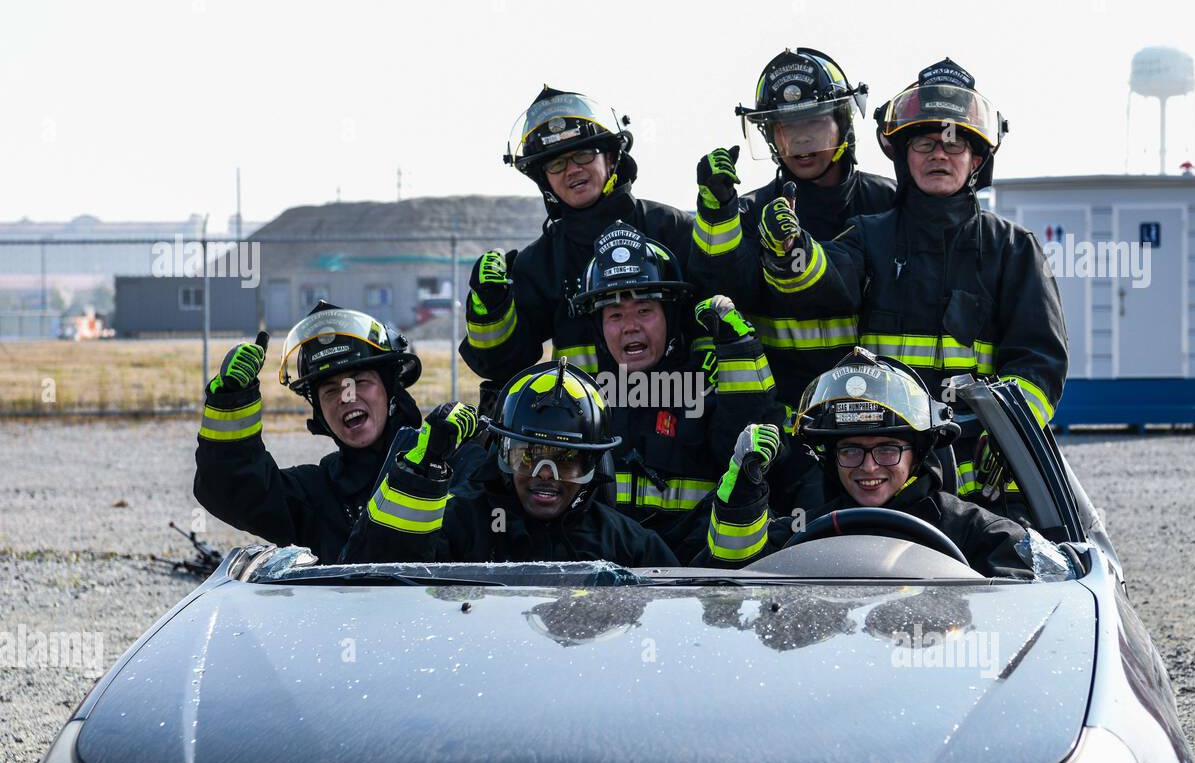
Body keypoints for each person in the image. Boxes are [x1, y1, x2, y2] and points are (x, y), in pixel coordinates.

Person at [794, 57, 1068, 500]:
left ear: (977, 159)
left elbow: (1040, 364)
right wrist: (793, 256)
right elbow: (826, 281)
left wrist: (1009, 432)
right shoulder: (868, 236)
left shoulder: (1013, 249)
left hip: (984, 475)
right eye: (924, 144)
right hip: (885, 466)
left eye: (955, 145)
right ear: (903, 157)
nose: (939, 154)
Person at [699, 349, 1035, 579]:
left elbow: (1027, 600)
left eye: (888, 450)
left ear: (917, 454)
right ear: (831, 459)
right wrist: (742, 500)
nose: (869, 467)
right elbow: (730, 581)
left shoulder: (974, 531)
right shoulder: (806, 531)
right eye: (851, 451)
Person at [689, 48, 896, 410]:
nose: (801, 140)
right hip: (782, 411)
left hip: (878, 411)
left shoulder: (889, 204)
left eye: (814, 123)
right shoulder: (748, 212)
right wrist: (717, 214)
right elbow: (722, 291)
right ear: (770, 136)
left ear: (843, 123)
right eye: (787, 127)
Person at [459, 87, 696, 399]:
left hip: (678, 413)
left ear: (611, 159)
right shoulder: (540, 262)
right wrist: (490, 309)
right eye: (556, 164)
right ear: (545, 180)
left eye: (583, 154)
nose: (572, 170)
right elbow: (501, 364)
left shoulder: (671, 230)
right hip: (585, 431)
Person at [569, 221, 785, 560]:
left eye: (645, 311)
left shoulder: (705, 391)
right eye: (614, 315)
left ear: (670, 316)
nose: (630, 327)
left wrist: (740, 353)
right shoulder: (582, 402)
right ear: (598, 327)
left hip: (694, 576)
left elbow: (752, 453)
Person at [341, 360, 679, 567]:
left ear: (594, 466)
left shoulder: (629, 545)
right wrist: (420, 473)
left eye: (567, 460)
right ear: (501, 455)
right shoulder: (462, 523)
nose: (545, 475)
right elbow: (373, 580)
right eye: (527, 455)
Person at [194, 302, 424, 564]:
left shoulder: (449, 467)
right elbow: (234, 489)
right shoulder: (318, 496)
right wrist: (231, 402)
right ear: (320, 414)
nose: (346, 397)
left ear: (390, 389)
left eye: (359, 381)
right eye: (330, 390)